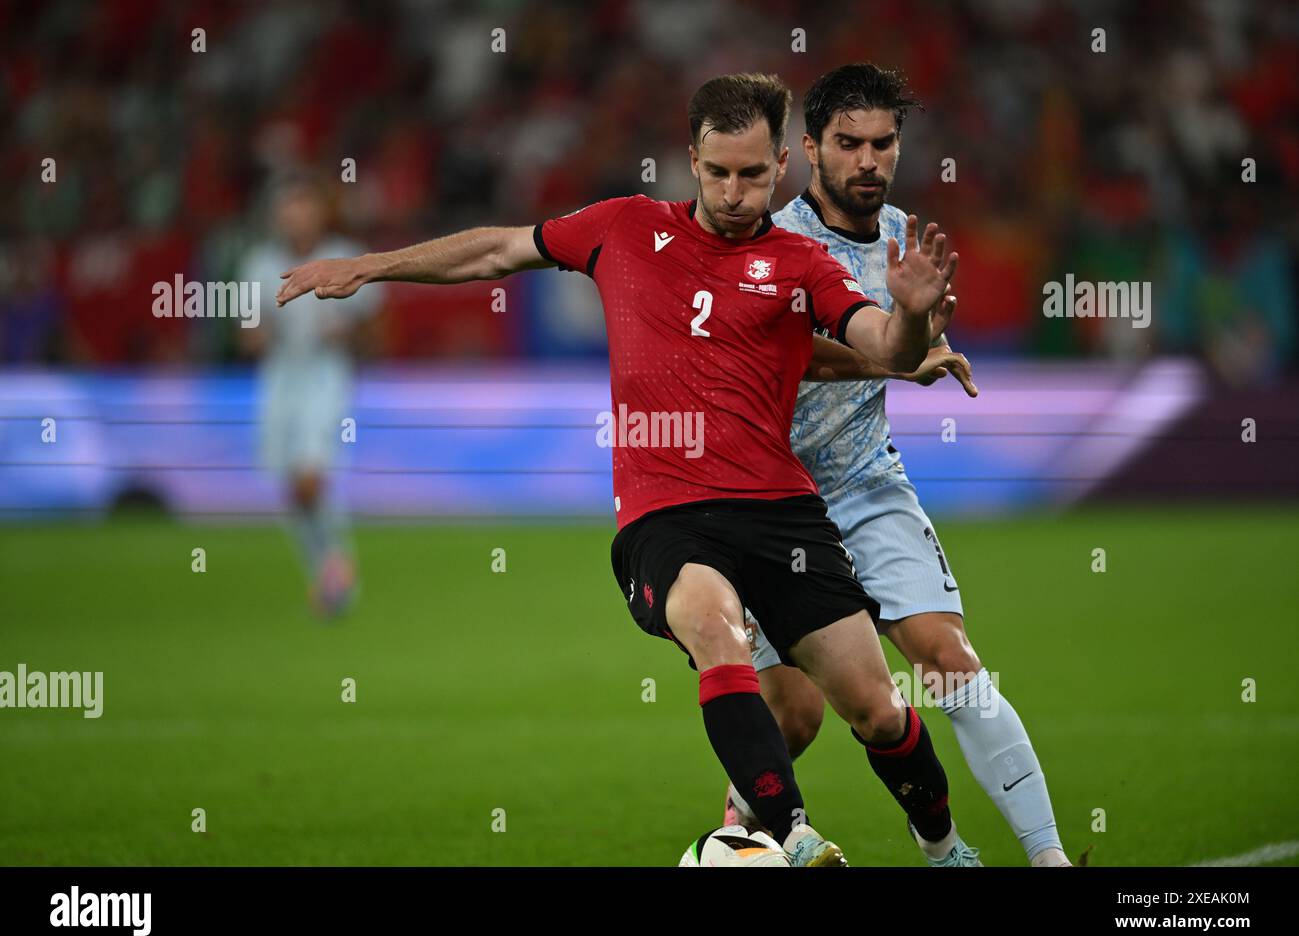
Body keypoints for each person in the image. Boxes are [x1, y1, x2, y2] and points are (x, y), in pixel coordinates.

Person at [276, 73, 978, 866]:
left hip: (781, 509)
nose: (736, 191)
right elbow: (497, 250)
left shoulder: (801, 262)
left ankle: (947, 850)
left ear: (783, 164)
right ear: (691, 160)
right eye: (718, 172)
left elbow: (886, 348)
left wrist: (914, 311)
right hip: (665, 515)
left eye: (753, 174)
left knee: (878, 708)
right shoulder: (623, 228)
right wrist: (373, 265)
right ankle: (790, 836)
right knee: (719, 631)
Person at [724, 63, 1069, 867]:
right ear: (810, 149)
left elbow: (906, 347)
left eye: (883, 144)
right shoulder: (769, 245)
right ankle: (728, 849)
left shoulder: (905, 241)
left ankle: (1041, 858)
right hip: (770, 501)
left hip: (864, 483)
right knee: (794, 716)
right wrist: (893, 355)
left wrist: (921, 335)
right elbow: (780, 356)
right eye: (849, 144)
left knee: (950, 661)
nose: (868, 161)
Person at [241, 174, 374, 616]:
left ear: (319, 213)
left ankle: (338, 568)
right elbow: (246, 334)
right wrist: (256, 336)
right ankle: (326, 568)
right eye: (288, 209)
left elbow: (378, 330)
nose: (295, 218)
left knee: (310, 475)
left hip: (324, 375)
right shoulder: (259, 264)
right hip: (279, 376)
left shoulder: (347, 257)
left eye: (304, 207)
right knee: (288, 483)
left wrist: (349, 333)